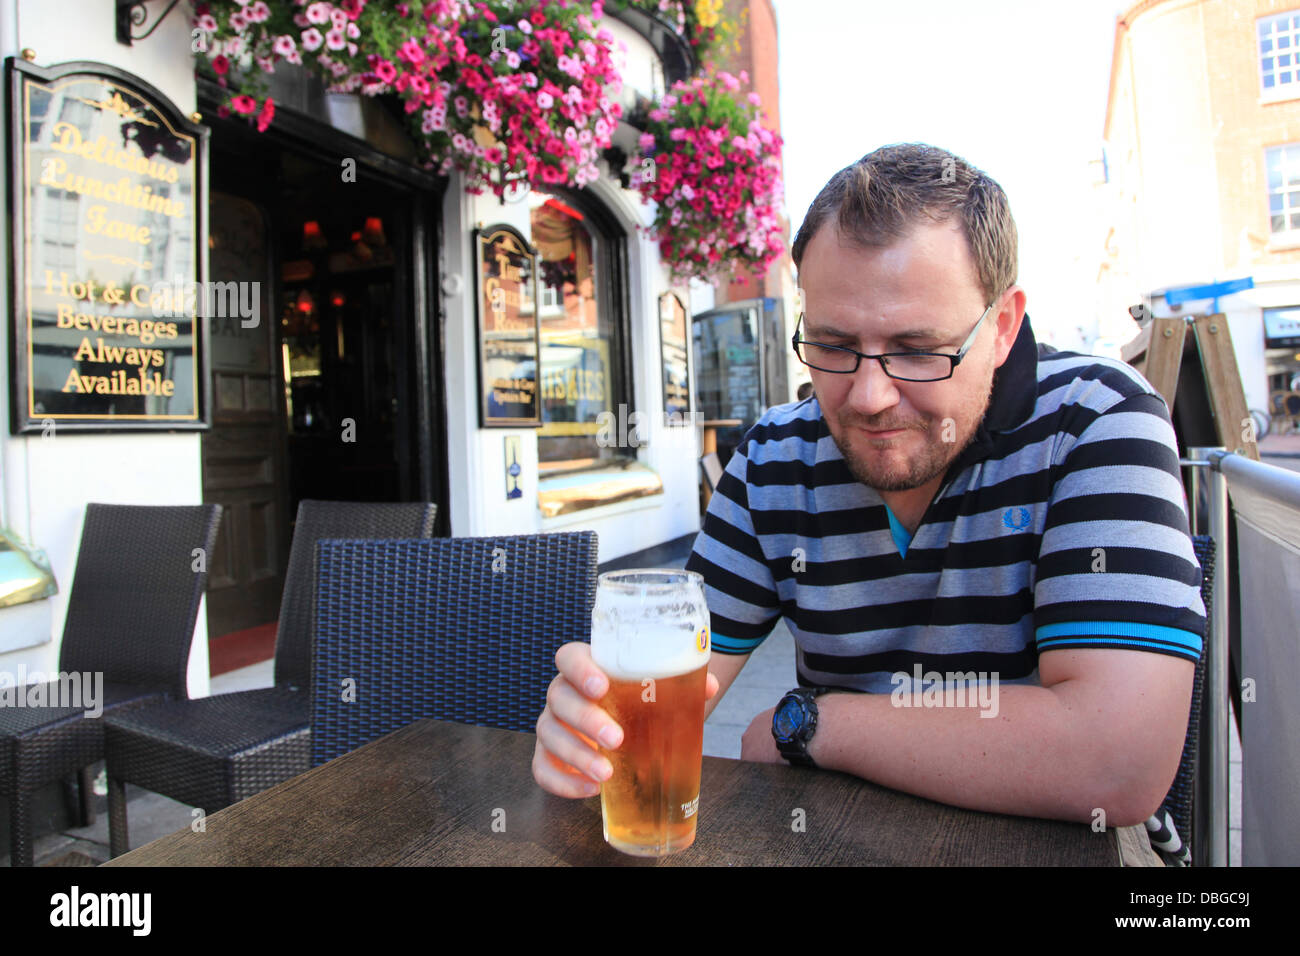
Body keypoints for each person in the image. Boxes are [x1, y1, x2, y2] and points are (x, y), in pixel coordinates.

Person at [532, 143, 1204, 829]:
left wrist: (812, 725)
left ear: (1001, 327)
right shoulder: (776, 457)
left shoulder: (1098, 421)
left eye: (916, 350)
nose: (870, 396)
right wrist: (588, 738)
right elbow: (679, 691)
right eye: (832, 345)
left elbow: (1114, 760)